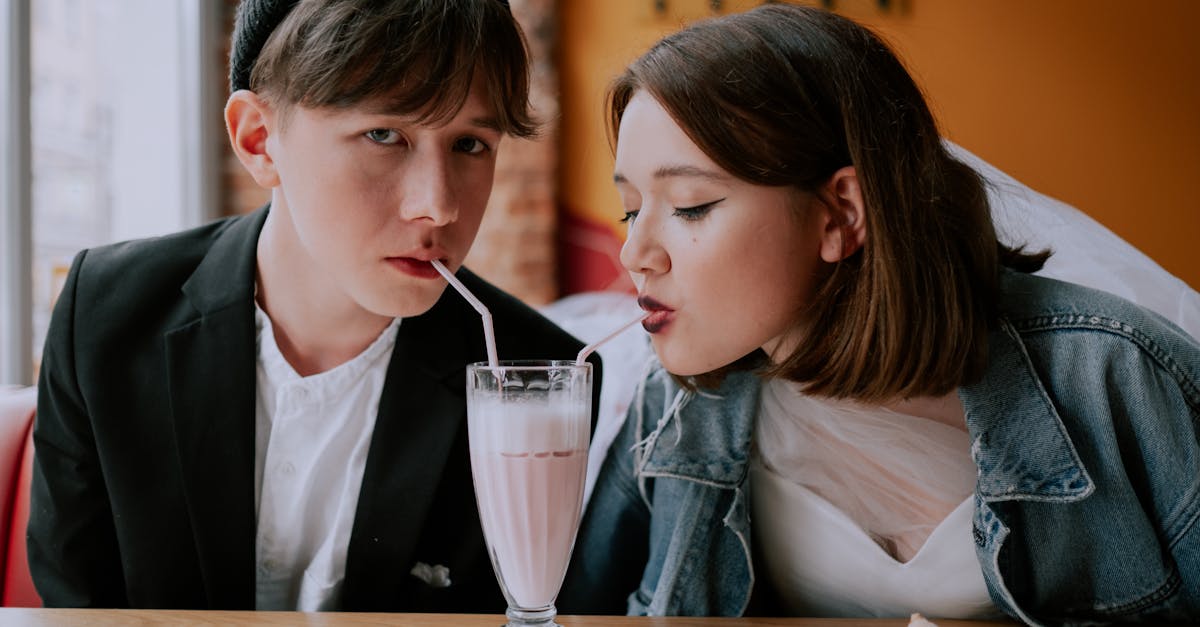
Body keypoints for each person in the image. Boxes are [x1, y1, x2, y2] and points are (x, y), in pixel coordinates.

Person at [558, 4, 1200, 625]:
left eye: (692, 205)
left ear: (841, 212)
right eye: (630, 209)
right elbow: (572, 613)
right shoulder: (672, 407)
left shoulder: (1118, 380)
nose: (633, 253)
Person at [29, 0, 600, 612]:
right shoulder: (108, 315)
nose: (439, 206)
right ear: (259, 139)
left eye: (470, 144)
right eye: (385, 134)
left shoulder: (538, 378)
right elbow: (78, 605)